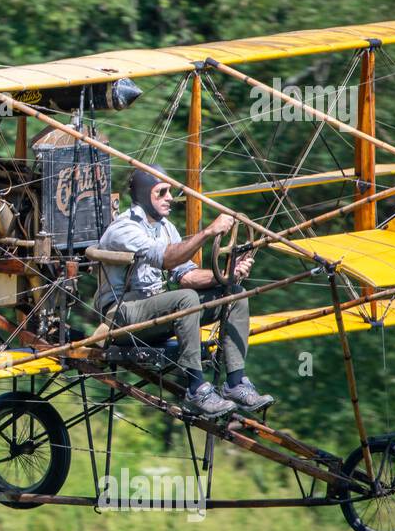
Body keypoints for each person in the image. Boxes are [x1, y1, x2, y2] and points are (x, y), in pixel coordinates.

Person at [92, 168, 275, 417]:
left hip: (156, 310)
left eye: (171, 192)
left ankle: (236, 383)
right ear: (145, 195)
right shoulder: (123, 229)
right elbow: (167, 259)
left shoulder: (167, 228)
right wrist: (208, 232)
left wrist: (227, 272)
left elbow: (187, 276)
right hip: (121, 316)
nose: (170, 197)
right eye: (162, 192)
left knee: (235, 295)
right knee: (185, 299)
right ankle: (196, 388)